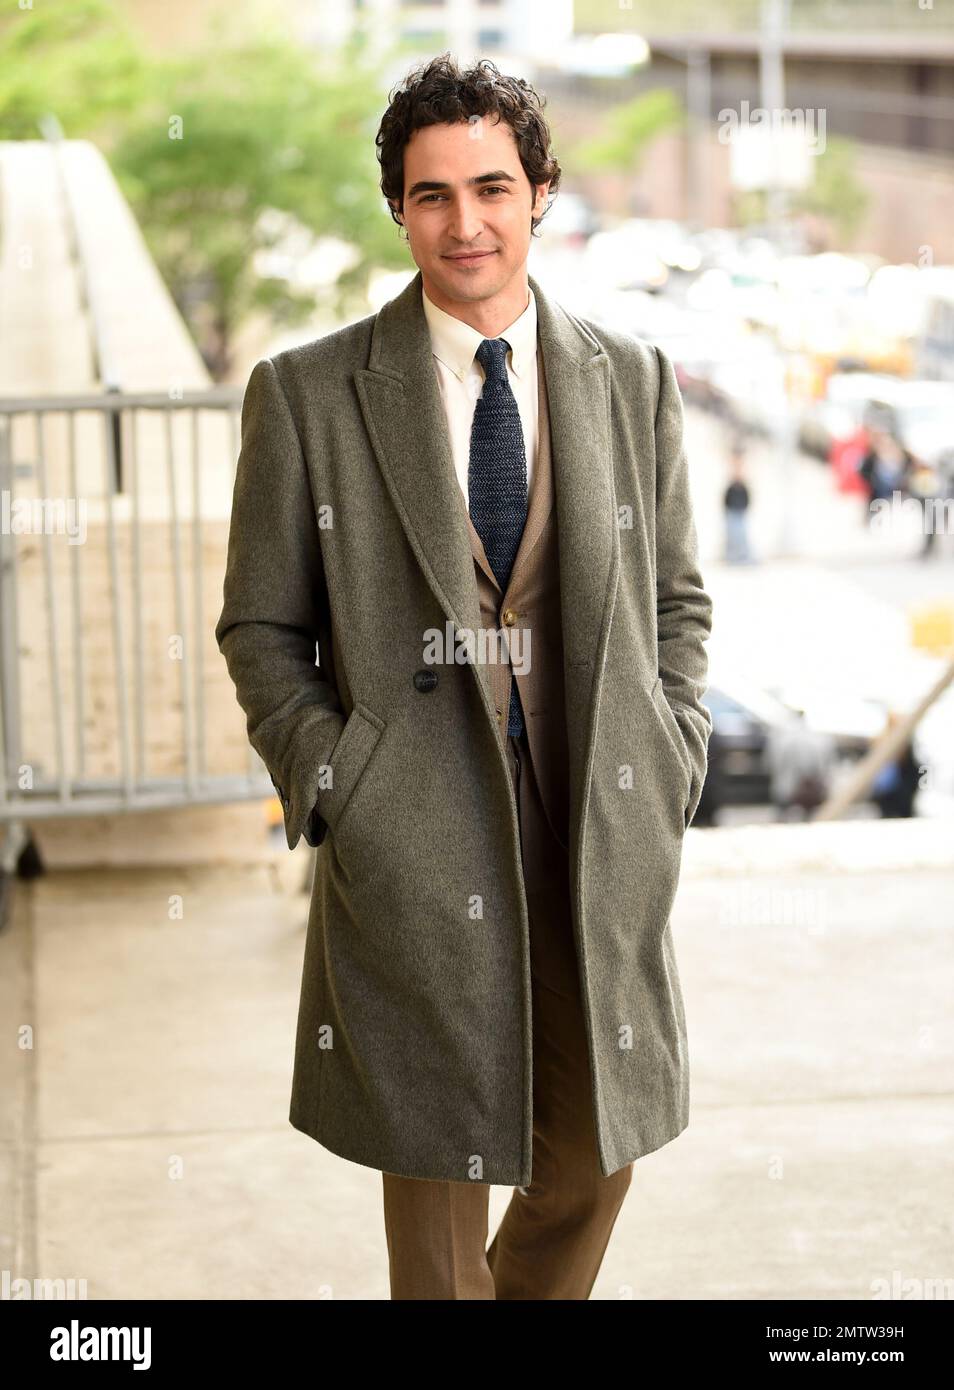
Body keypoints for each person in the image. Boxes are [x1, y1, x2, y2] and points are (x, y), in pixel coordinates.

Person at [215, 54, 713, 1301]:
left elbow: (676, 601)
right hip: (415, 827)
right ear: (399, 208)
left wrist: (672, 752)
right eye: (431, 195)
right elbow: (261, 626)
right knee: (441, 1173)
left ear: (540, 191)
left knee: (593, 1150)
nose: (465, 223)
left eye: (491, 188)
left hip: (593, 812)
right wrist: (343, 783)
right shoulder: (309, 392)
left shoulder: (631, 378)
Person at [723, 441, 753, 563]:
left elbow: (747, 498)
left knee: (741, 534)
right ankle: (733, 556)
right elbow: (726, 500)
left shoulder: (742, 486)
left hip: (740, 512)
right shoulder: (731, 487)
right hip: (733, 511)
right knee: (733, 534)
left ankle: (742, 556)